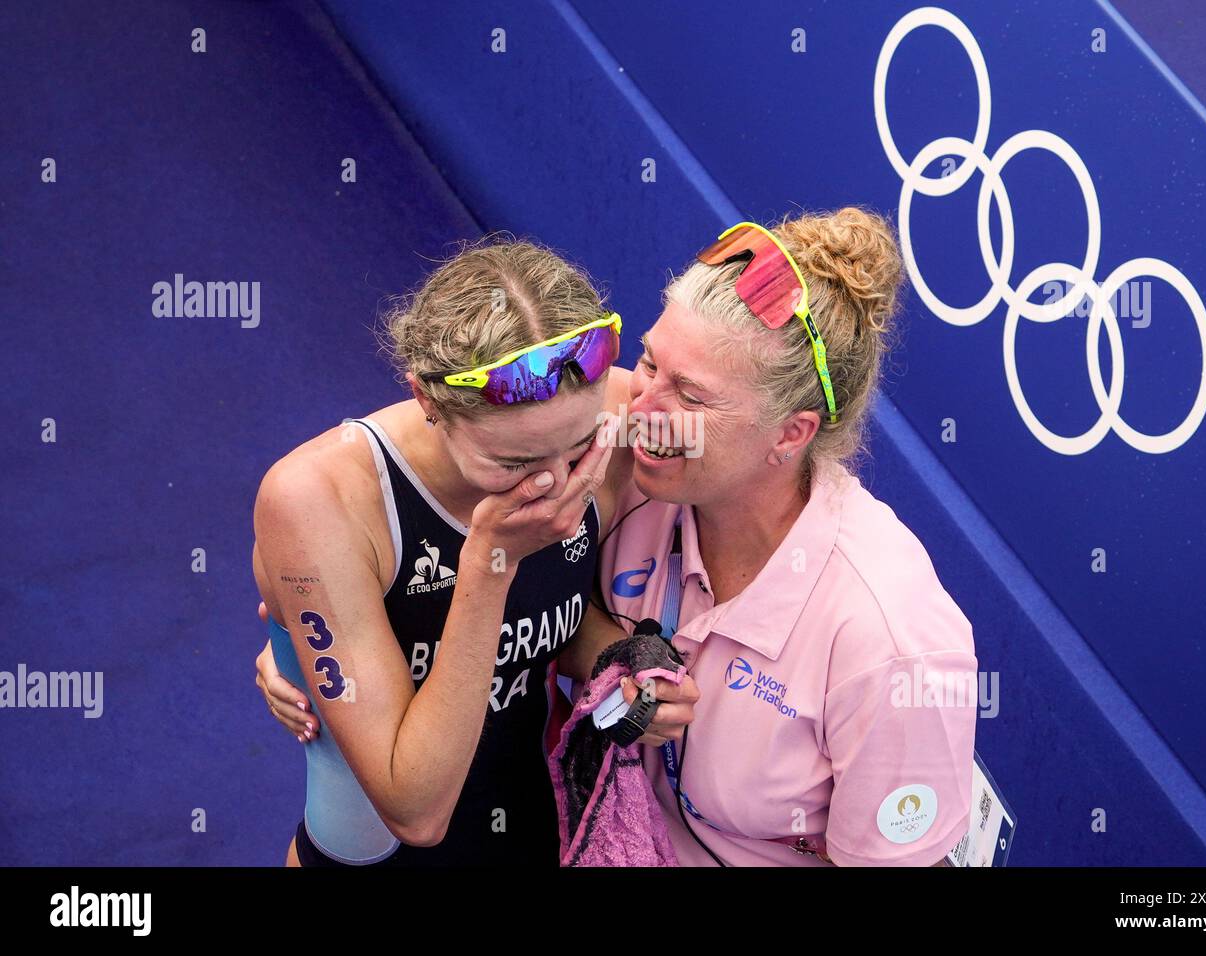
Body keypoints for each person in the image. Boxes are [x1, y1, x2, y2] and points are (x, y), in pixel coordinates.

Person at [259, 208, 977, 867]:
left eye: (689, 397)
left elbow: (550, 612)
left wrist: (608, 650)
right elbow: (415, 791)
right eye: (652, 365)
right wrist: (313, 636)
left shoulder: (890, 641)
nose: (644, 409)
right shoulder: (623, 455)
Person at [251, 238, 696, 867]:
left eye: (576, 448)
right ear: (428, 400)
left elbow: (544, 627)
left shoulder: (621, 413)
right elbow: (416, 811)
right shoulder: (321, 496)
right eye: (512, 462)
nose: (553, 484)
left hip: (537, 834)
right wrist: (491, 563)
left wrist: (620, 663)